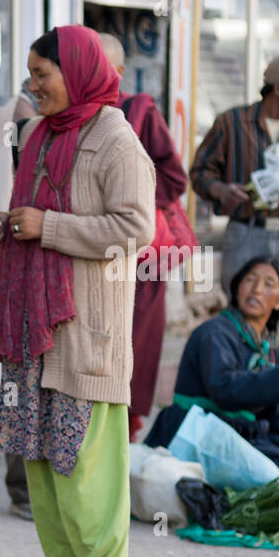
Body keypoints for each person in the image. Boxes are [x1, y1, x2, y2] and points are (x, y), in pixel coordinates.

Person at [0, 26, 155, 557]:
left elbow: (133, 231)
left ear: (75, 72)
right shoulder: (42, 132)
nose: (32, 84)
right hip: (35, 325)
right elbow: (48, 208)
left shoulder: (116, 140)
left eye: (42, 73)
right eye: (30, 73)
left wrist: (45, 227)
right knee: (42, 457)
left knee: (86, 461)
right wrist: (13, 224)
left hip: (85, 329)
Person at [190, 53, 279, 363]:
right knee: (240, 323)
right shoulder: (230, 122)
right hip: (245, 233)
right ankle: (240, 403)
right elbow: (200, 173)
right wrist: (221, 190)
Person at [144, 258, 279, 480]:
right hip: (199, 426)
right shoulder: (214, 332)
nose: (256, 289)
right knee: (276, 475)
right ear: (237, 288)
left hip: (239, 430)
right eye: (250, 280)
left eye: (268, 284)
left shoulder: (271, 347)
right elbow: (225, 390)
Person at [98, 32, 196, 440]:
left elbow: (175, 177)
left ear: (119, 73)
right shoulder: (69, 115)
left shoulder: (138, 110)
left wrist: (127, 199)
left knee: (138, 338)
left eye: (97, 64)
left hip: (143, 251)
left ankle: (129, 427)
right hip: (97, 248)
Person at [0, 79, 38, 520]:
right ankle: (23, 489)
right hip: (15, 254)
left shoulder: (25, 111)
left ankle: (26, 485)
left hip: (18, 253)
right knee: (21, 375)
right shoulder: (24, 116)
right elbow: (4, 201)